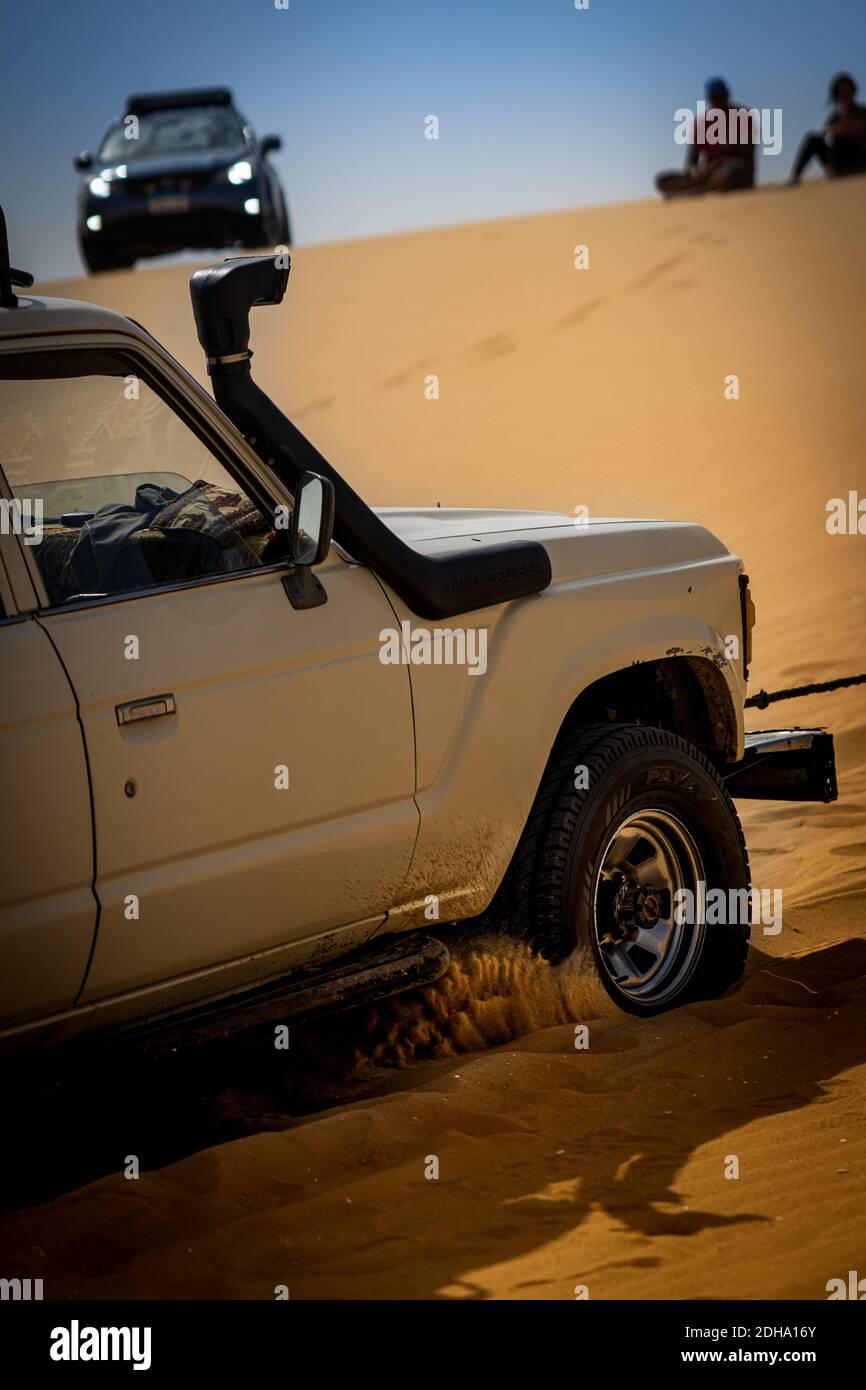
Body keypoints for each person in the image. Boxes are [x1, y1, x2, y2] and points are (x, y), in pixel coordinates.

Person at [656, 78, 758, 197]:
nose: (717, 101)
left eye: (720, 96)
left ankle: (698, 190)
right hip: (707, 175)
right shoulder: (701, 123)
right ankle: (703, 187)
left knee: (731, 173)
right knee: (662, 180)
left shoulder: (743, 116)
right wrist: (696, 171)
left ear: (727, 95)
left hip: (733, 172)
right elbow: (690, 162)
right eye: (714, 97)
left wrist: (715, 165)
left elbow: (745, 153)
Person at [790, 72, 866, 183]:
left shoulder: (862, 112)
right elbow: (824, 131)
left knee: (843, 140)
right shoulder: (836, 116)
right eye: (841, 92)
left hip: (859, 160)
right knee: (812, 139)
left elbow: (858, 128)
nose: (845, 95)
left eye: (847, 91)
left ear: (853, 91)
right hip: (838, 162)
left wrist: (841, 130)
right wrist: (835, 129)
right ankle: (795, 177)